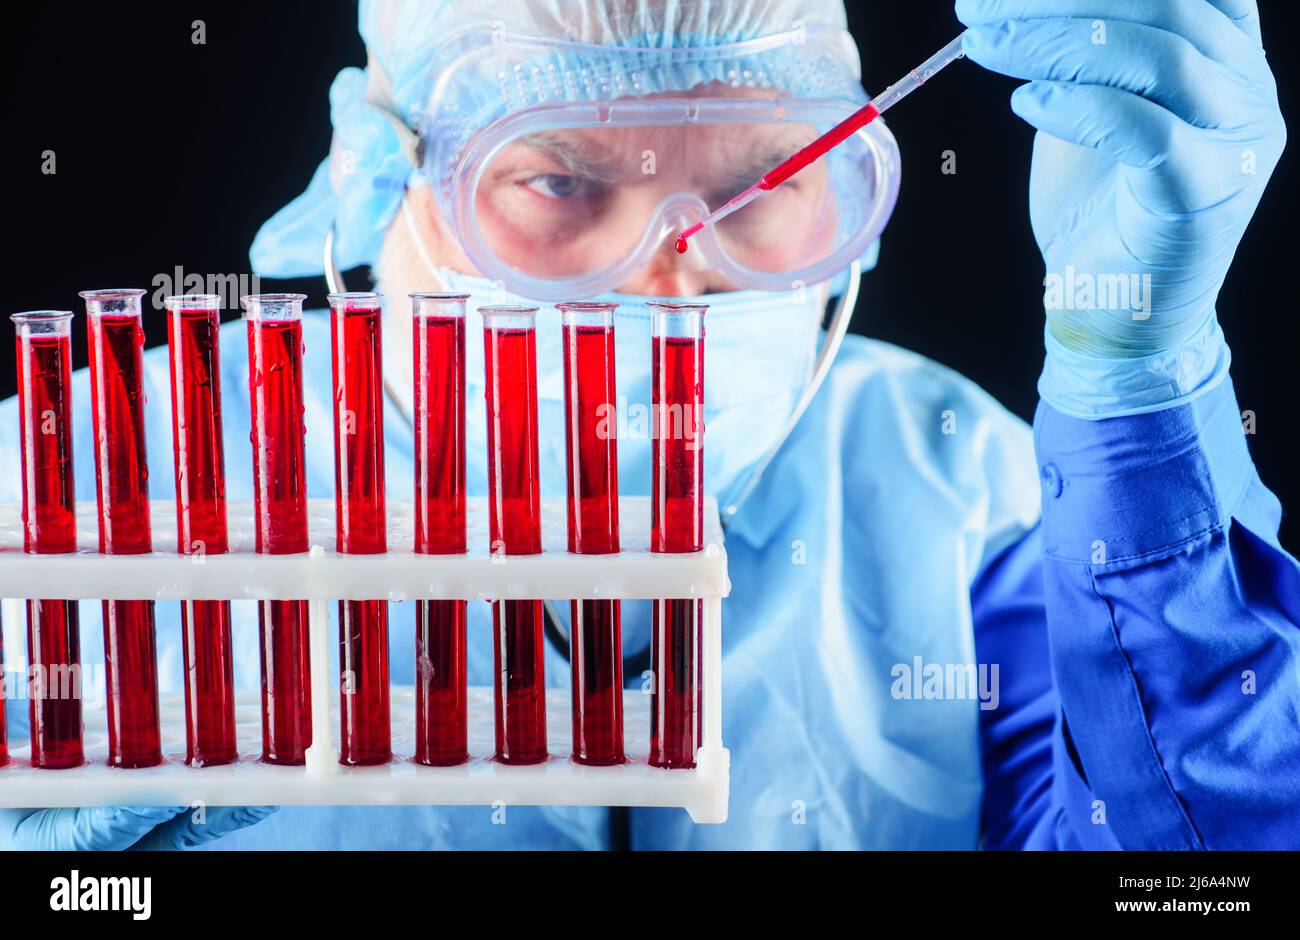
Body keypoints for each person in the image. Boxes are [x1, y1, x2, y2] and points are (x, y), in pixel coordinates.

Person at [1, 0, 1293, 850]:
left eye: (764, 184)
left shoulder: (965, 495)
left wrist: (1134, 390)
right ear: (389, 169)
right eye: (560, 178)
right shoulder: (83, 489)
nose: (672, 274)